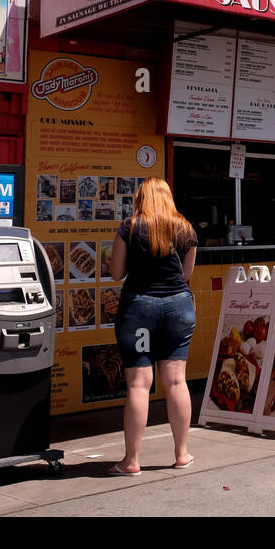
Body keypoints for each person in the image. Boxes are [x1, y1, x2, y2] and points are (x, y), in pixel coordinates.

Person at [108, 178, 197, 475]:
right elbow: (186, 275)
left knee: (138, 384)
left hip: (140, 309)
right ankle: (182, 454)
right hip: (178, 309)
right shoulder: (185, 227)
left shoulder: (129, 227)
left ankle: (131, 461)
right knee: (175, 382)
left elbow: (117, 272)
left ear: (141, 198)